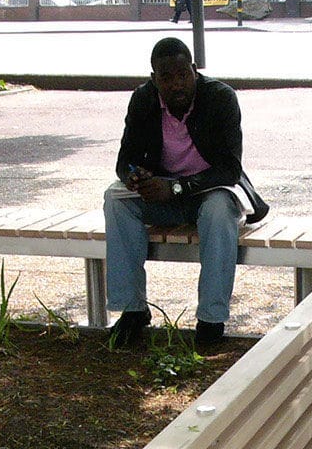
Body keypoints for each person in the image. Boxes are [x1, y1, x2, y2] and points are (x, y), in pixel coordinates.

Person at [103, 37, 268, 348]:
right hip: (162, 195)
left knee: (219, 211)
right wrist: (135, 177)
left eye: (183, 75)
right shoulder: (143, 100)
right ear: (154, 79)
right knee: (115, 199)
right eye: (166, 78)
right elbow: (124, 161)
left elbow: (229, 169)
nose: (176, 84)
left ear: (194, 70)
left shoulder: (220, 98)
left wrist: (176, 188)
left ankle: (211, 319)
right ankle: (133, 310)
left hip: (209, 193)